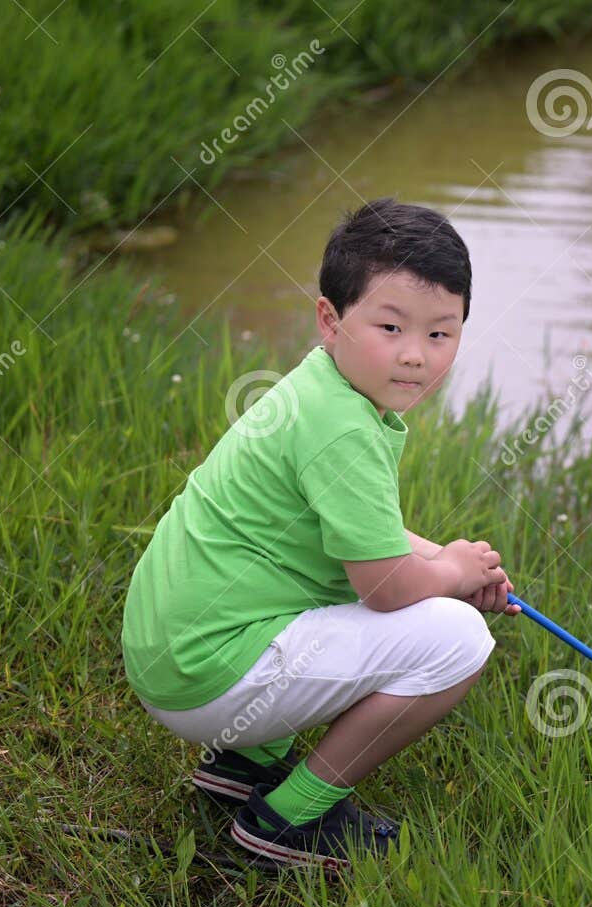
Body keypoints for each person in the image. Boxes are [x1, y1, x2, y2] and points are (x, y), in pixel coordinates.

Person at [120, 197, 519, 870]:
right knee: (457, 641)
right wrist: (451, 576)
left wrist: (458, 564)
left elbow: (365, 533)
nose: (415, 357)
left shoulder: (319, 386)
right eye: (390, 327)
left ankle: (245, 763)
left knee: (414, 595)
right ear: (330, 319)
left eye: (440, 334)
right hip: (203, 674)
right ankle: (286, 820)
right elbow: (388, 587)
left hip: (174, 650)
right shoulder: (342, 429)